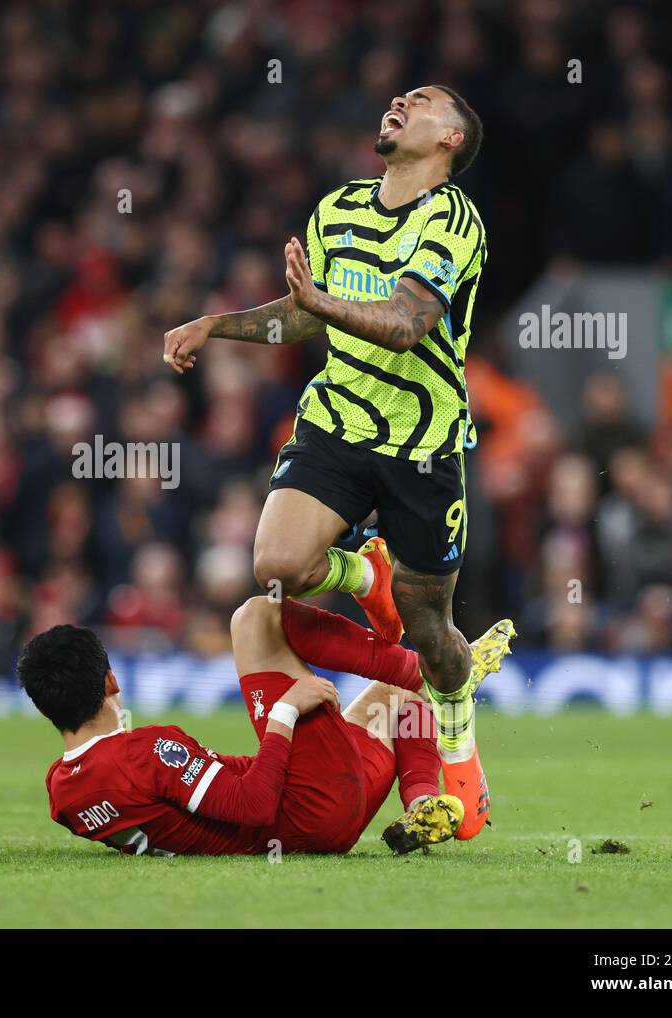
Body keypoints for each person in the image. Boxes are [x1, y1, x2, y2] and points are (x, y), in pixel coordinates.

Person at [163, 86, 495, 836]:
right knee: (278, 566)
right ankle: (364, 573)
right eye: (401, 94)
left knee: (431, 632)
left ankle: (459, 738)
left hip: (422, 445)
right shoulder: (337, 207)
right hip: (338, 423)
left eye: (425, 100)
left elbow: (408, 324)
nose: (400, 99)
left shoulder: (454, 220)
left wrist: (319, 304)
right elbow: (297, 314)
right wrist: (215, 325)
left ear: (449, 141)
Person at [19, 590, 515, 858]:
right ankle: (413, 643)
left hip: (323, 821)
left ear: (45, 709)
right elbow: (253, 805)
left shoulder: (63, 795)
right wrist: (286, 711)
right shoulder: (142, 753)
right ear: (111, 681)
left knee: (395, 698)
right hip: (306, 807)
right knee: (255, 617)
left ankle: (424, 803)